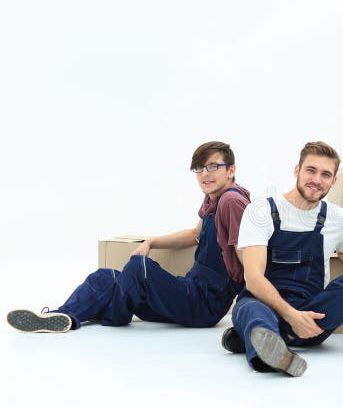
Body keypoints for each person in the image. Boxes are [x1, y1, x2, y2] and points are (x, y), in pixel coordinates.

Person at [7, 141, 251, 332]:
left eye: (212, 167)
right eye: (199, 169)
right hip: (190, 290)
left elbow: (248, 253)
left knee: (139, 268)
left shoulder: (231, 200)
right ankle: (62, 317)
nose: (204, 174)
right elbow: (195, 234)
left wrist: (259, 298)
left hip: (204, 303)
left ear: (231, 170)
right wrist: (151, 242)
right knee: (105, 276)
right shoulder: (214, 200)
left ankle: (111, 312)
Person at [220, 141, 343, 377]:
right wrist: (293, 317)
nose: (316, 179)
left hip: (311, 315)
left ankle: (263, 338)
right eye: (310, 170)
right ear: (297, 170)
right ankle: (273, 349)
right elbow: (253, 278)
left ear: (333, 181)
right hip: (264, 304)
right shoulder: (261, 211)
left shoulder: (339, 218)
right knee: (252, 310)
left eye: (325, 174)